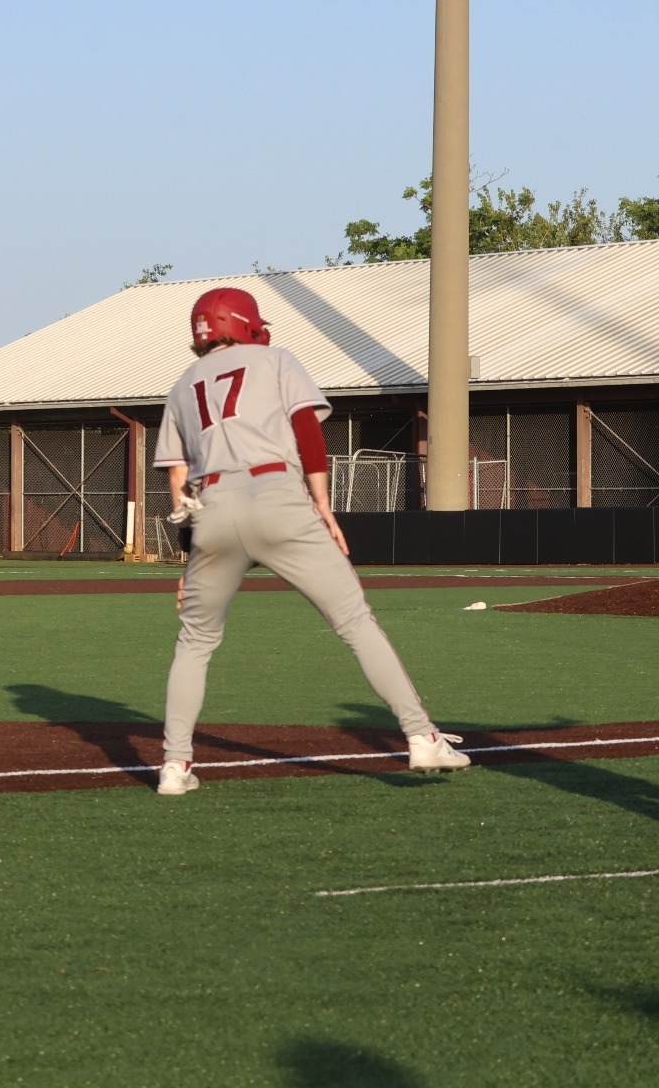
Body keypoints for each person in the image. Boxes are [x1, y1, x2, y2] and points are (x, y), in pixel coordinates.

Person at [150, 286, 469, 795]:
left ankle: (174, 766)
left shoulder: (182, 383)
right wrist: (322, 505)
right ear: (247, 323)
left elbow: (177, 482)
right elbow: (307, 428)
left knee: (195, 643)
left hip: (211, 508)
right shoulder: (275, 358)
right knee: (354, 621)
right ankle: (420, 735)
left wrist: (190, 560)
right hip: (276, 494)